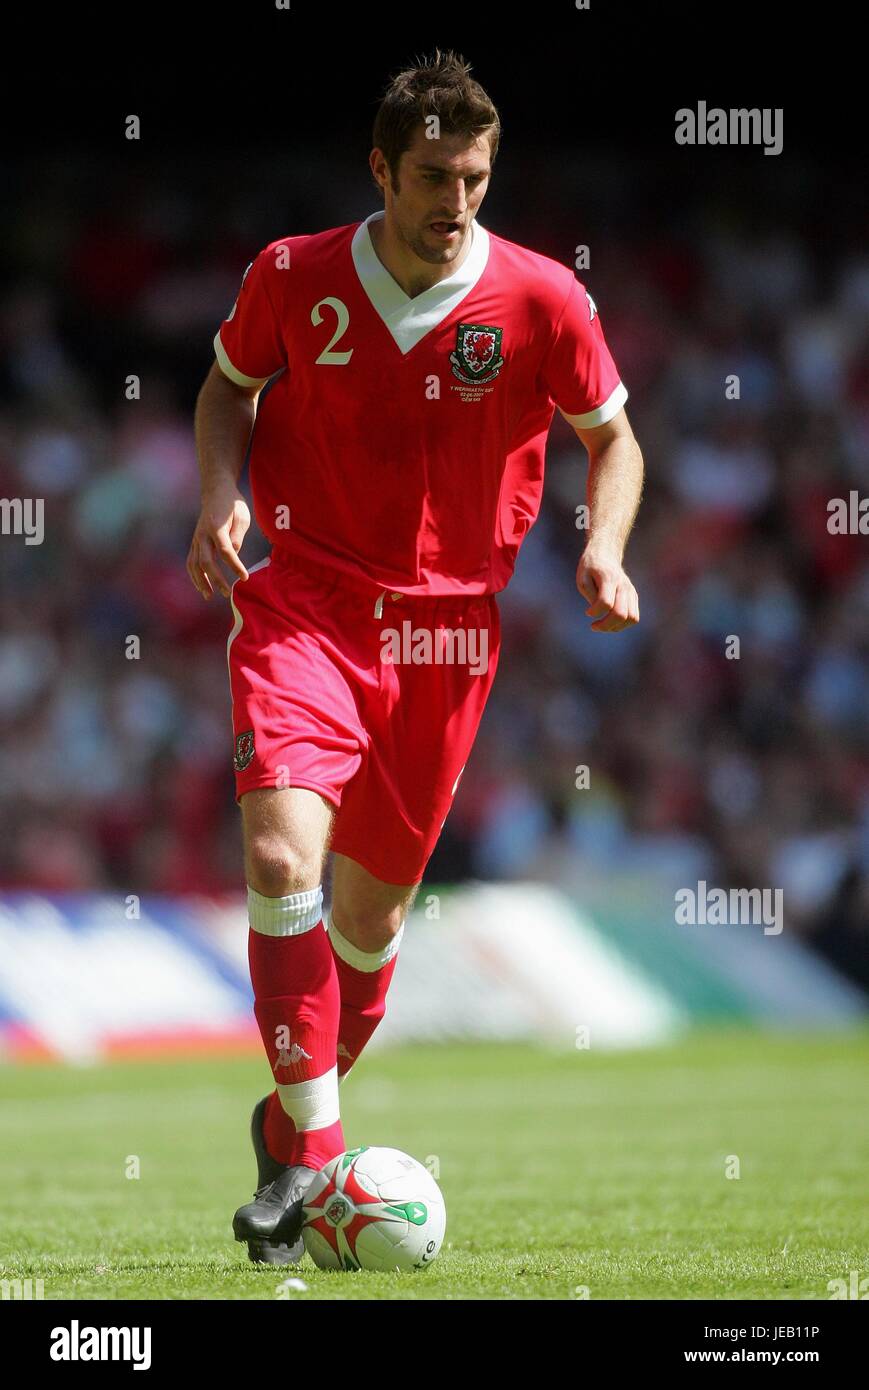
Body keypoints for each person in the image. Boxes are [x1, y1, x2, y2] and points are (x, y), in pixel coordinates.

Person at [187, 48, 643, 1265]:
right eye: (433, 176)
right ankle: (323, 1162)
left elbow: (614, 440)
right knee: (283, 851)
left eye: (476, 178)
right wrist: (219, 497)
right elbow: (227, 388)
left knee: (370, 927)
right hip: (308, 604)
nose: (455, 203)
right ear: (379, 169)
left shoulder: (543, 299)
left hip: (448, 635)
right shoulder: (293, 276)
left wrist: (602, 550)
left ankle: (292, 1121)